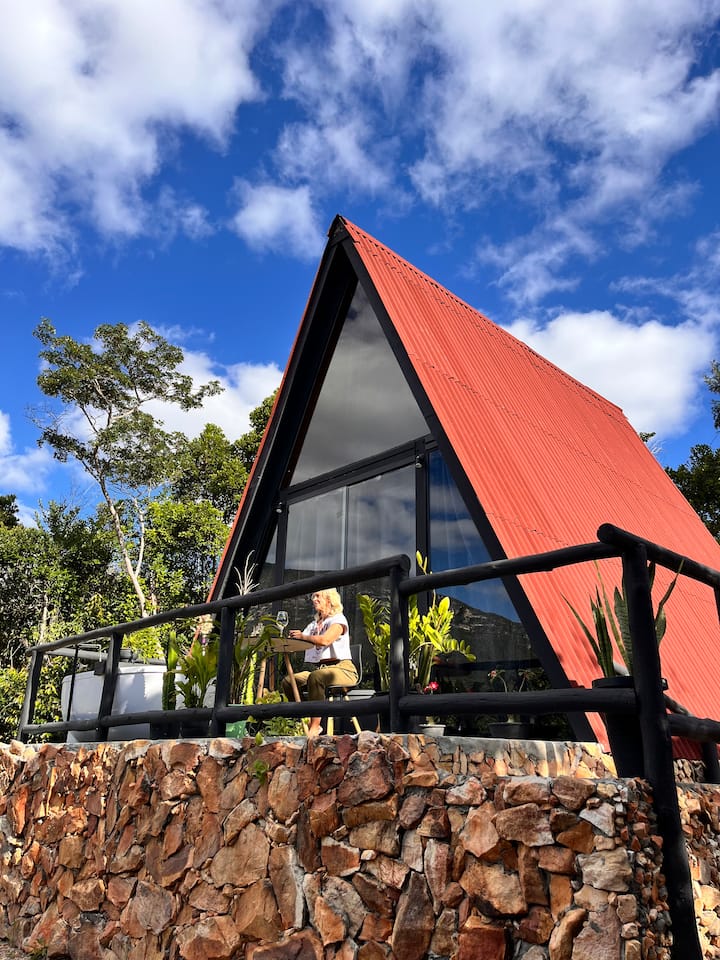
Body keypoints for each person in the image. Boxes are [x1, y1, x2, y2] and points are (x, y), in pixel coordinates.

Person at [283, 588, 358, 737]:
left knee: (315, 677)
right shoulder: (314, 624)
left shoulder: (338, 619)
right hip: (320, 669)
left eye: (318, 596)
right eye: (313, 596)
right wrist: (287, 643)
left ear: (329, 600)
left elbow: (325, 640)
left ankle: (315, 726)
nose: (313, 599)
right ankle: (306, 720)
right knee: (288, 681)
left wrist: (303, 637)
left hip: (343, 669)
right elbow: (301, 640)